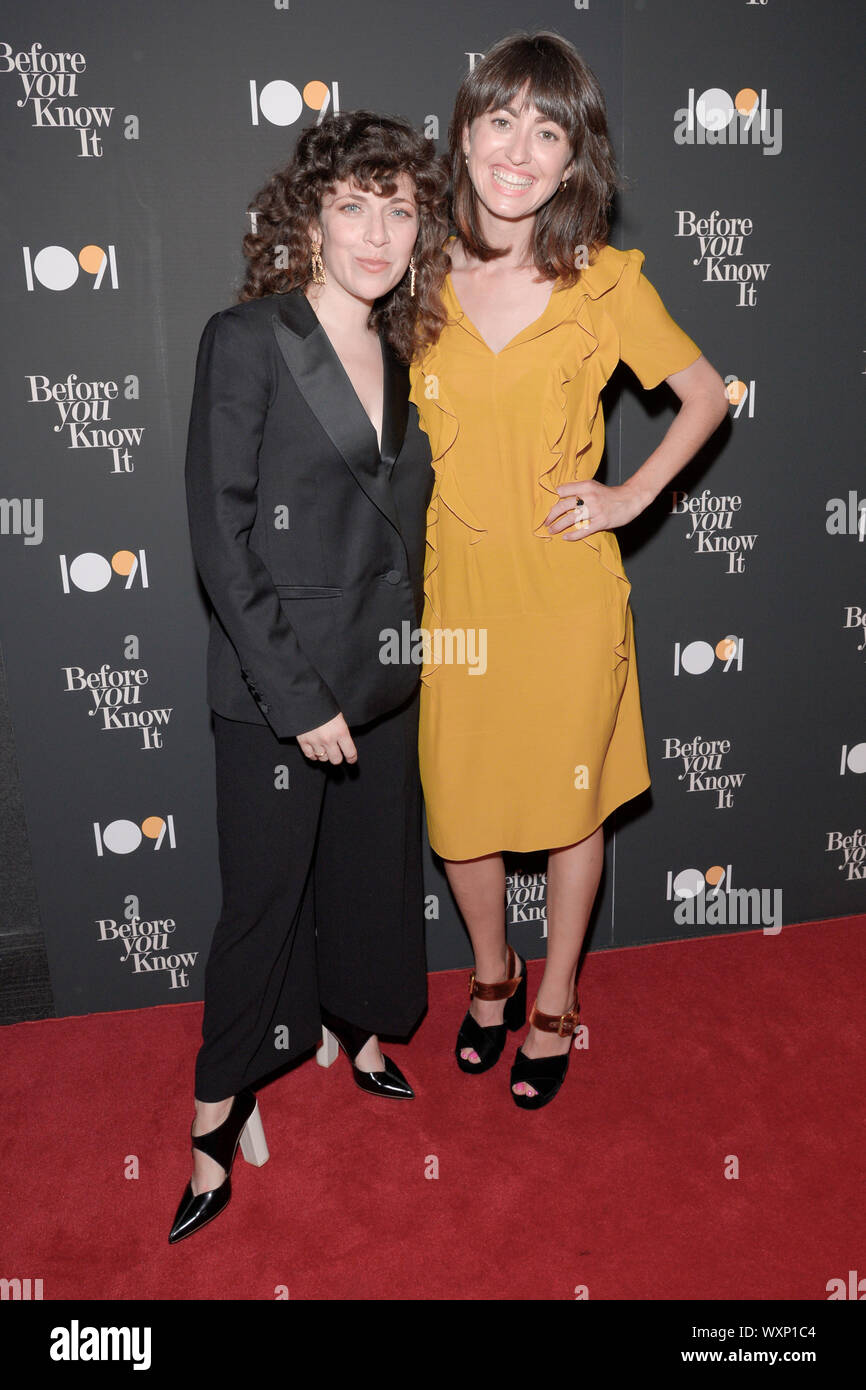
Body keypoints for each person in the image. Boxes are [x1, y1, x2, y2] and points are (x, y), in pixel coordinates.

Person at [407, 32, 729, 1108]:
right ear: (463, 133)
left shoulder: (601, 283)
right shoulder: (409, 275)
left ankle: (551, 997)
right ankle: (488, 976)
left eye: (547, 130)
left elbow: (704, 394)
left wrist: (630, 496)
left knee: (567, 811)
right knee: (459, 810)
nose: (518, 150)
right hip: (451, 594)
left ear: (571, 156)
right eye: (500, 120)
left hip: (565, 594)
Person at [171, 111, 450, 1242]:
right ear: (311, 216)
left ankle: (360, 1027)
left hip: (386, 678)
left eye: (398, 209)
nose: (377, 232)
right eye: (353, 206)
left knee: (372, 883)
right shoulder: (248, 340)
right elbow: (220, 538)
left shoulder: (405, 354)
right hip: (279, 693)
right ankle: (213, 1112)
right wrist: (300, 700)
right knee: (263, 905)